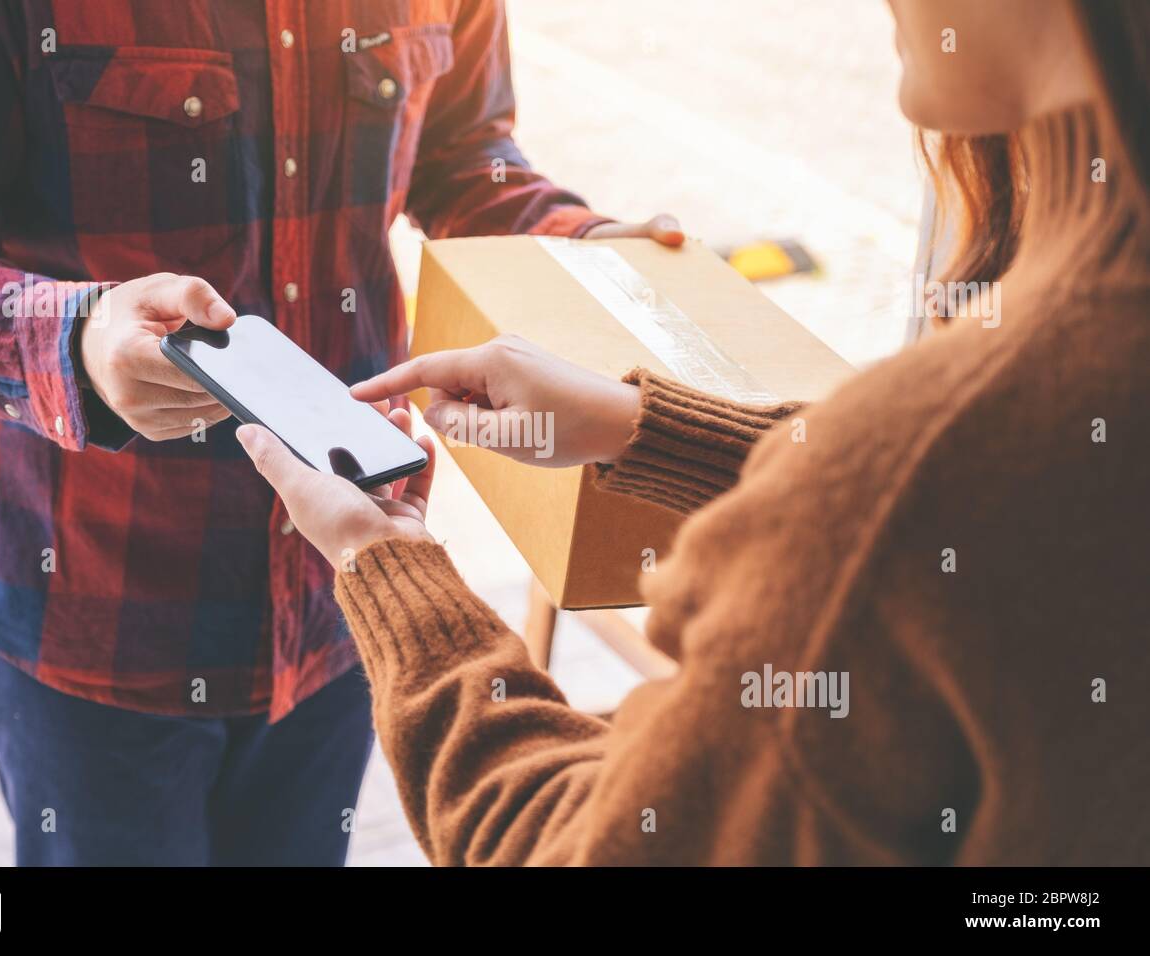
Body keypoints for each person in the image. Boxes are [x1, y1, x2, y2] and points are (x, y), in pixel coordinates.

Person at [237, 0, 1150, 865]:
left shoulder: (910, 478)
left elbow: (572, 848)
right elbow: (973, 516)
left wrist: (388, 564)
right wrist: (648, 428)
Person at [0, 0, 678, 865]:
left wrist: (577, 240)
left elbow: (467, 154)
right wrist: (77, 338)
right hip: (95, 615)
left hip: (345, 596)